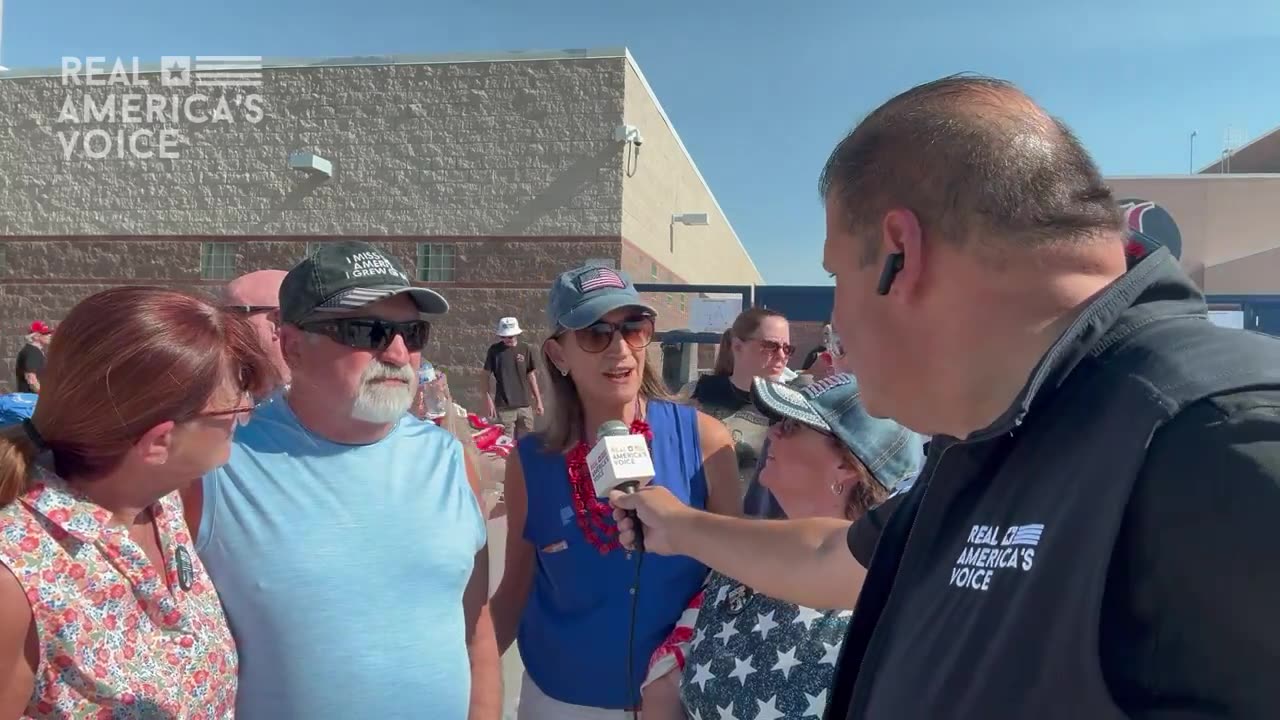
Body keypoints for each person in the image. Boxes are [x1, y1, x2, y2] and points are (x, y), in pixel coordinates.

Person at [611, 74, 1280, 720]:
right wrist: (677, 526)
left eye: (837, 274)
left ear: (901, 254)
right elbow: (834, 557)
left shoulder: (1220, 439)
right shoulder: (1002, 432)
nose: (836, 319)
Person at [187, 241, 501, 719]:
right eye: (366, 331)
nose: (397, 352)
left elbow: (476, 631)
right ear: (292, 345)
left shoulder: (452, 461)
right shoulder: (218, 462)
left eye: (412, 333)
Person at [0, 286, 275, 718]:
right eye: (235, 404)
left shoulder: (163, 504)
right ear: (159, 442)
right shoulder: (16, 581)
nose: (245, 413)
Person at [488, 263, 740, 719]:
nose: (620, 348)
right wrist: (468, 686)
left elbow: (736, 579)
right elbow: (514, 590)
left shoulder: (706, 440)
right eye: (595, 333)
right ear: (558, 355)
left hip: (678, 702)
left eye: (633, 328)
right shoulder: (529, 462)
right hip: (560, 700)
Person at [642, 373, 923, 720]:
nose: (772, 431)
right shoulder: (741, 552)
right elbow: (667, 680)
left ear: (845, 466)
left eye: (791, 426)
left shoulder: (895, 600)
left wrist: (676, 525)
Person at [683, 309, 799, 498]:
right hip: (704, 512)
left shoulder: (794, 406)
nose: (781, 355)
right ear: (737, 346)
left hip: (764, 518)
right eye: (770, 346)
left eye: (787, 348)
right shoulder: (696, 394)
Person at [222, 269, 290, 389]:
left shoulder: (320, 401)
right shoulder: (213, 390)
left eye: (234, 313)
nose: (220, 323)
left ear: (278, 321)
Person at [484, 316, 543, 439]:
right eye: (503, 336)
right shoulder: (494, 351)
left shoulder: (526, 349)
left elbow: (531, 376)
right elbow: (485, 376)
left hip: (524, 405)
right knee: (506, 441)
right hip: (505, 406)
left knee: (528, 440)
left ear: (516, 334)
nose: (506, 339)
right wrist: (488, 398)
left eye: (509, 336)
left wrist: (539, 401)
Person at [14, 321, 52, 394]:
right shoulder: (32, 352)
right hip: (32, 400)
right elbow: (31, 379)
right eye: (45, 333)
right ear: (35, 336)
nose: (49, 335)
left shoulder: (33, 351)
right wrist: (45, 395)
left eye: (49, 332)